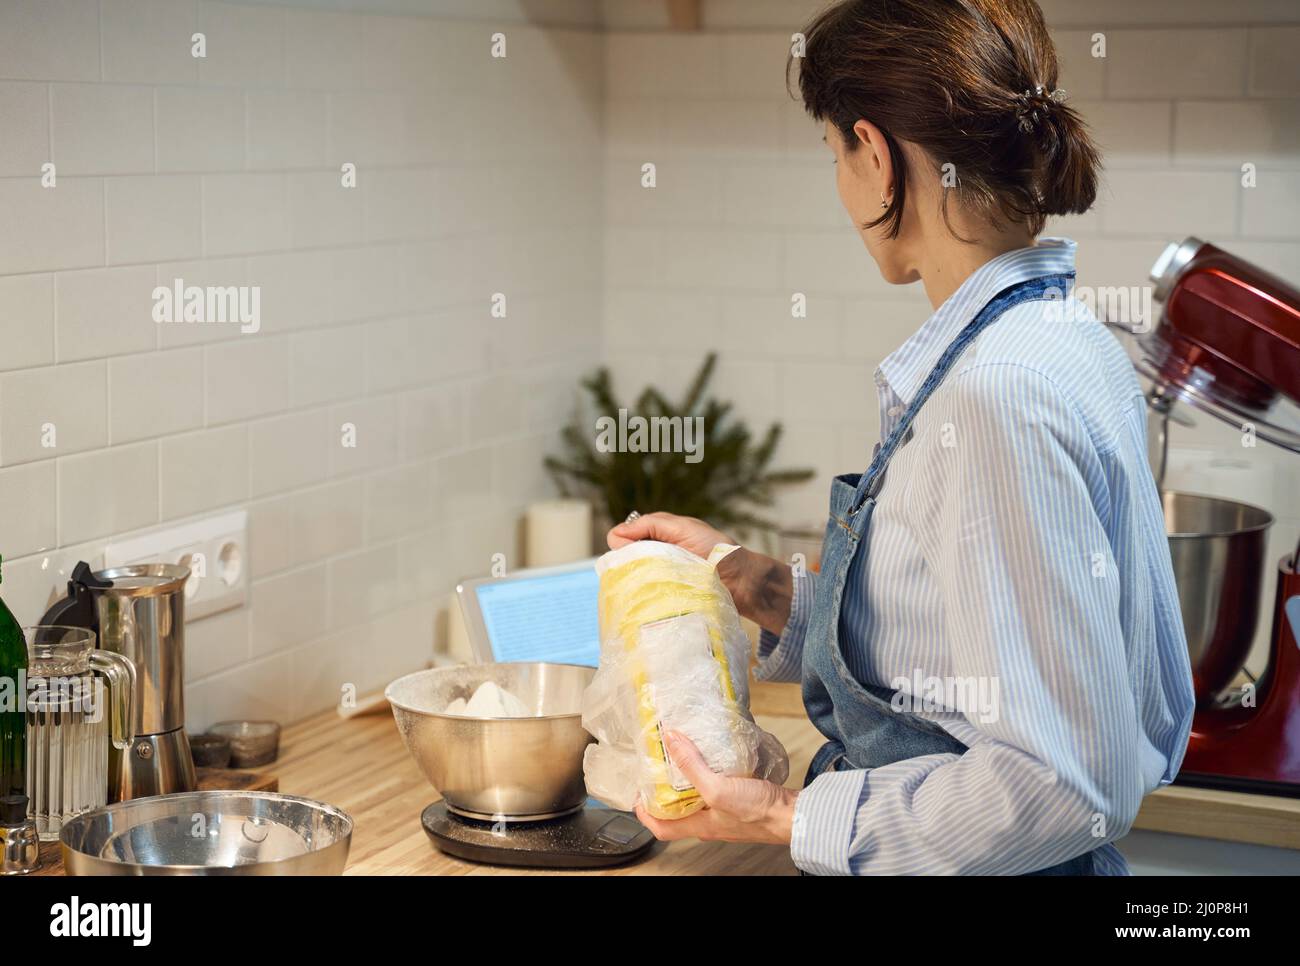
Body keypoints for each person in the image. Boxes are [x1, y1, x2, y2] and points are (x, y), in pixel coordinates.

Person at [606, 0, 1195, 875]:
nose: (841, 183)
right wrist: (749, 579)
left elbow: (1063, 782)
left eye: (835, 153)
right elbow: (941, 662)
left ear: (877, 160)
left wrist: (780, 814)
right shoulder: (1058, 338)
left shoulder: (998, 394)